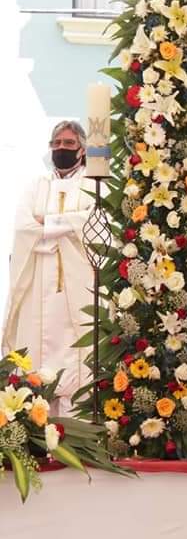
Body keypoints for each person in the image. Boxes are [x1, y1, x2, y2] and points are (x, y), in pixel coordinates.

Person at [2, 121, 93, 413]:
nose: (61, 149)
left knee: (74, 354)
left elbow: (91, 223)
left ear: (82, 149)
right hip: (38, 283)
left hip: (76, 287)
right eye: (56, 144)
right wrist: (64, 229)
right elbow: (23, 229)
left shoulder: (92, 183)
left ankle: (76, 425)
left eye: (68, 143)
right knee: (36, 357)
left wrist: (48, 223)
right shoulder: (37, 186)